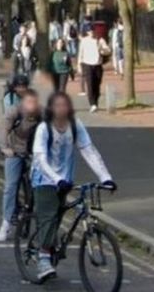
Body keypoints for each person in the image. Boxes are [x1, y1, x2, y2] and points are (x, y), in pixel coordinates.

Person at [30, 92, 116, 282]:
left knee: (58, 216)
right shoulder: (44, 128)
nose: (62, 109)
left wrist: (106, 177)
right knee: (49, 216)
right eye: (58, 106)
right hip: (43, 179)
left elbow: (88, 150)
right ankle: (43, 258)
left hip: (65, 179)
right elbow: (40, 159)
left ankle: (52, 245)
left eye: (65, 105)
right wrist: (56, 178)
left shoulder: (75, 126)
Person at [0, 89, 42, 241]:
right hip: (15, 150)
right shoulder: (14, 112)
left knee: (41, 185)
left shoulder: (43, 115)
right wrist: (5, 149)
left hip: (35, 152)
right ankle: (6, 223)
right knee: (11, 186)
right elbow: (3, 129)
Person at [77, 28, 110, 112]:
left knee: (97, 85)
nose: (91, 33)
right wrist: (79, 65)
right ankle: (92, 104)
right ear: (87, 33)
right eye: (89, 31)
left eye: (92, 31)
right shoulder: (84, 41)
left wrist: (102, 50)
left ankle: (96, 101)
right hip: (87, 65)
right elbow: (81, 53)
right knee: (90, 85)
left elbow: (108, 51)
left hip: (98, 65)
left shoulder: (100, 40)